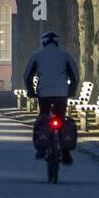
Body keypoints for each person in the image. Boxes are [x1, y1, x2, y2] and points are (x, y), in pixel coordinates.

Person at [22, 31, 79, 166]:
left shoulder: (37, 55)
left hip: (44, 94)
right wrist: (71, 91)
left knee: (43, 117)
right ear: (57, 43)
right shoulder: (65, 55)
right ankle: (65, 151)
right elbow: (75, 76)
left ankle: (42, 148)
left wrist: (31, 91)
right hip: (61, 93)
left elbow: (27, 76)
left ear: (43, 42)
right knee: (61, 118)